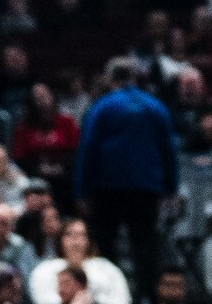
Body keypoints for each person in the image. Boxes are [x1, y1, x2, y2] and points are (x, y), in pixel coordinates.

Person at [72, 57, 177, 290]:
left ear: (110, 79)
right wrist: (171, 189)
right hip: (146, 189)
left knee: (105, 243)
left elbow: (87, 151)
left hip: (106, 188)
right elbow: (169, 151)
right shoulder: (155, 107)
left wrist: (82, 192)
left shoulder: (100, 107)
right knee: (145, 245)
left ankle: (109, 294)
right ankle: (147, 298)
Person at [30, 216, 132, 304]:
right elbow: (43, 302)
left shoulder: (105, 267)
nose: (76, 240)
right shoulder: (45, 269)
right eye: (69, 234)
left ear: (88, 239)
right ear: (60, 239)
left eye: (81, 235)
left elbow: (122, 301)